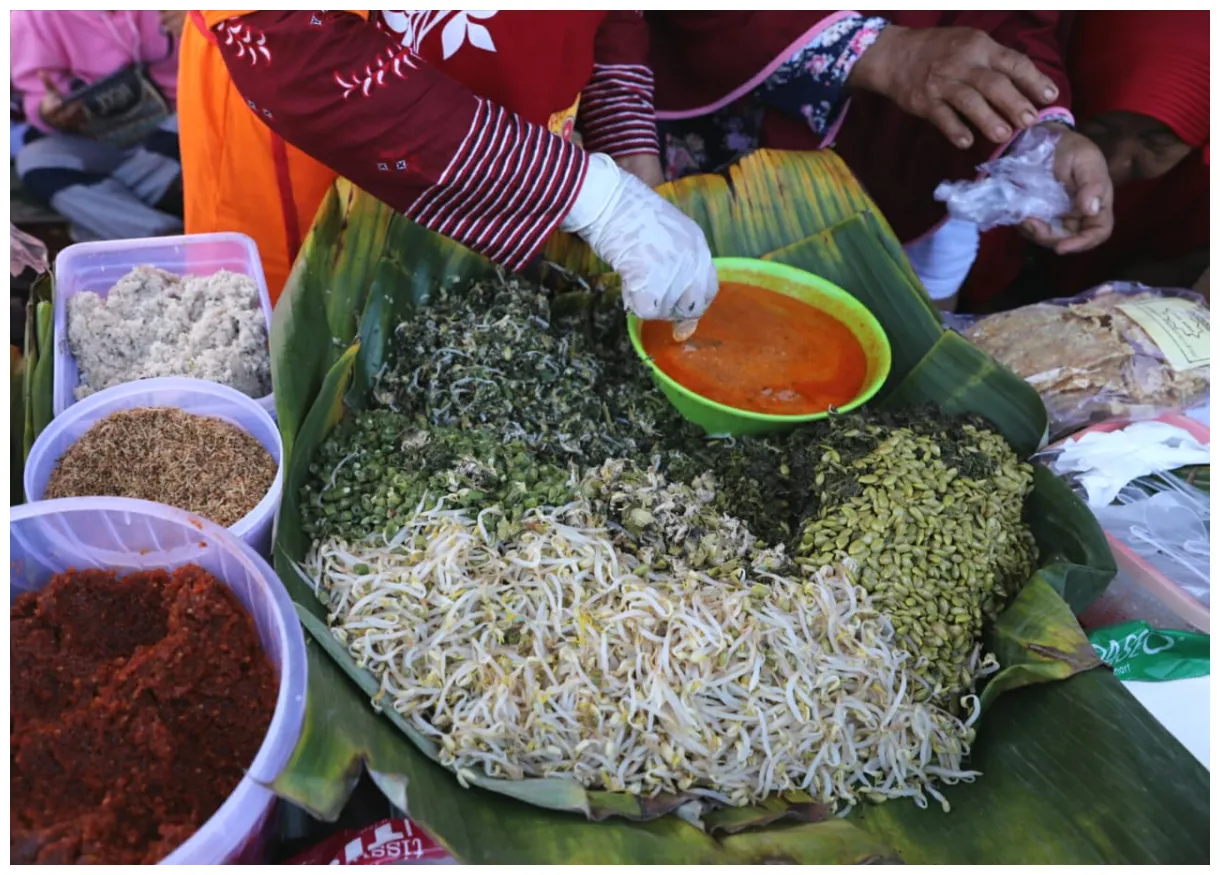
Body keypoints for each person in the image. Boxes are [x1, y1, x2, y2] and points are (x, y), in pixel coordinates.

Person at [178, 10, 716, 323]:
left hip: (527, 150)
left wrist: (627, 147)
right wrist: (597, 201)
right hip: (322, 151)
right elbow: (288, 37)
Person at [647, 12, 1114, 308]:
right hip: (731, 126)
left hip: (903, 144)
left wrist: (1041, 135)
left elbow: (1020, 21)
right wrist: (879, 50)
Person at [959, 10, 1209, 311]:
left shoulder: (1200, 198)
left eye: (1156, 143)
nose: (1115, 165)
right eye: (1101, 128)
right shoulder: (1023, 118)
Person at [10, 11, 184, 242]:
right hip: (100, 143)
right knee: (36, 159)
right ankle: (170, 239)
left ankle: (99, 225)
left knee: (197, 120)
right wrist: (49, 112)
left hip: (174, 130)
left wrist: (195, 23)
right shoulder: (33, 16)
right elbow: (38, 98)